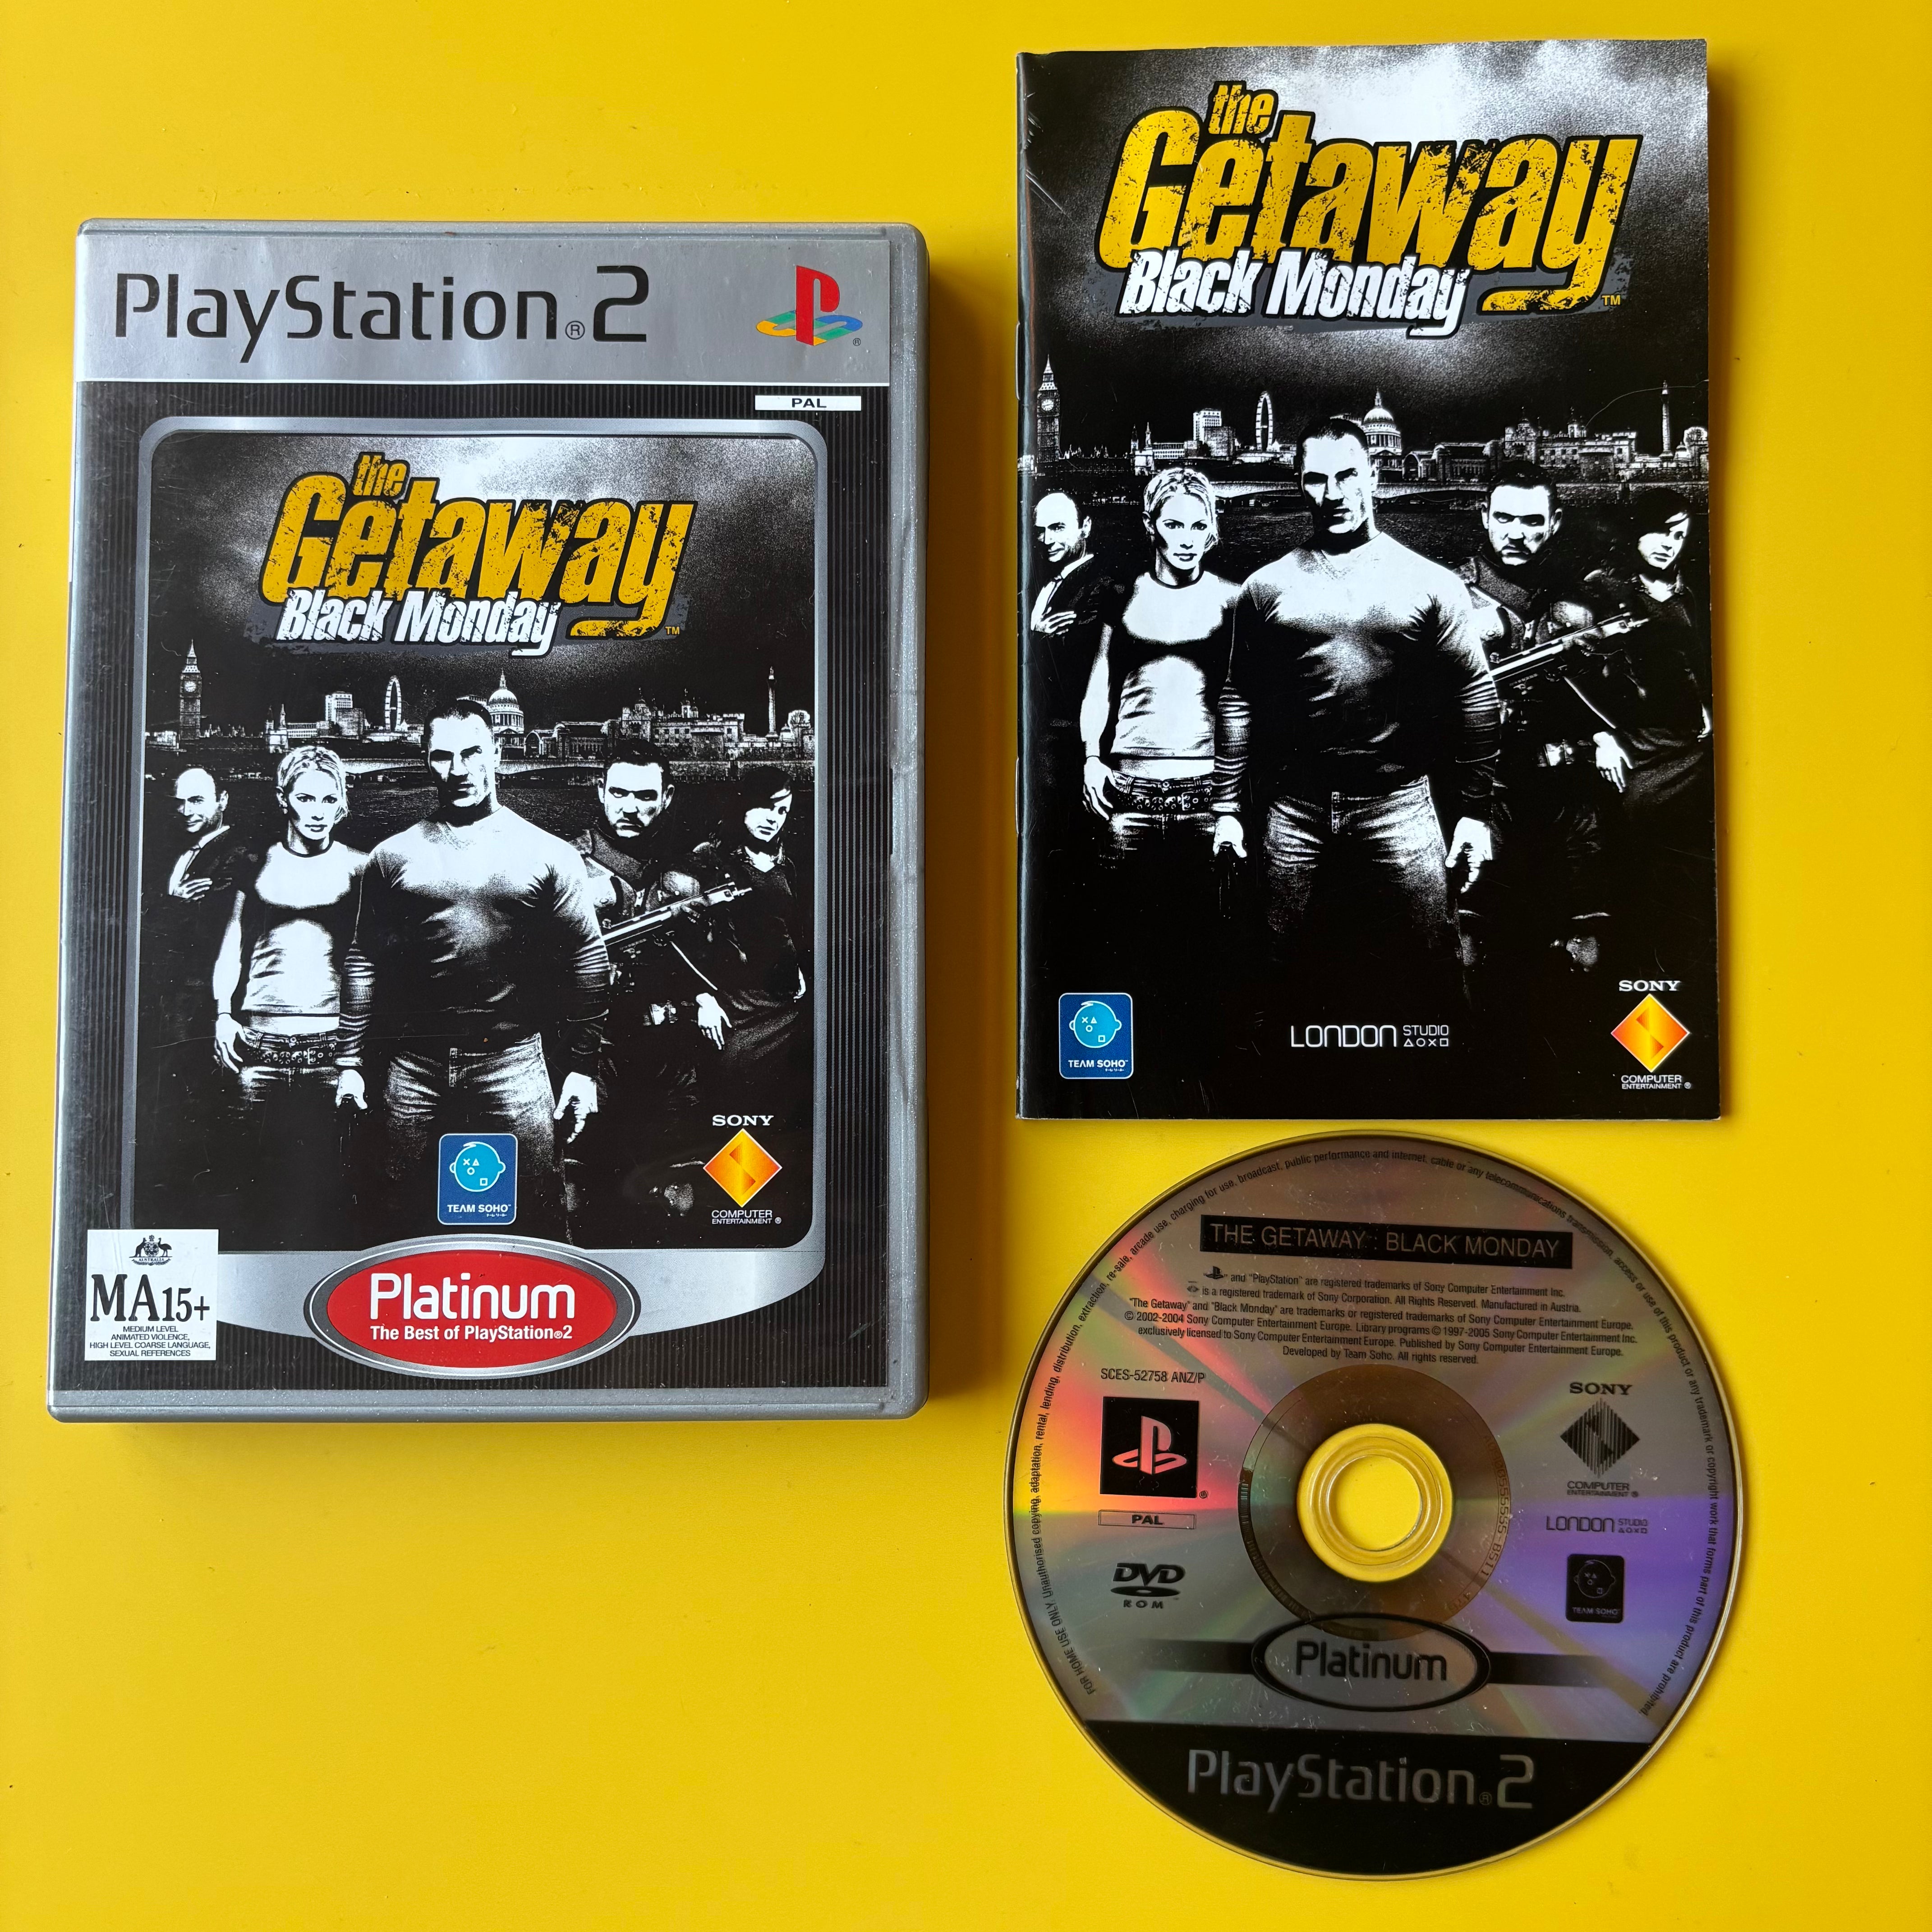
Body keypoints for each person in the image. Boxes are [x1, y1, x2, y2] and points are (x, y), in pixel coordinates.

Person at [1212, 418, 1500, 1028]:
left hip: (1400, 804)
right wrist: (1227, 809)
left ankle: (1457, 1078)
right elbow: (1239, 696)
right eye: (1317, 479)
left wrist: (1475, 812)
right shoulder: (1265, 587)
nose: (1335, 492)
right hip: (1296, 808)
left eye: (1348, 475)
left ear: (1374, 475)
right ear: (1299, 483)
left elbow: (1475, 693)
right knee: (1274, 964)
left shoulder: (1431, 583)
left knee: (1434, 967)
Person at [336, 697, 609, 1238]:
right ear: (425, 760)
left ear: (497, 754)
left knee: (538, 1222)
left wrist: (583, 1067)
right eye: (443, 756)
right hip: (413, 1069)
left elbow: (588, 956)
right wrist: (349, 1061)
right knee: (395, 1221)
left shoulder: (549, 853)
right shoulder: (391, 856)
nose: (458, 770)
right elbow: (363, 958)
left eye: (472, 753)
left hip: (514, 1063)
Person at [1076, 466, 1240, 1109]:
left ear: (1214, 531)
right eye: (1175, 524)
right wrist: (1092, 756)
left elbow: (1246, 702)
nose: (1188, 537)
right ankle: (1125, 1098)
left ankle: (1199, 1094)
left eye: (1200, 525)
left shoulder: (1234, 601)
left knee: (1203, 953)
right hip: (1130, 799)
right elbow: (1101, 685)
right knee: (1123, 949)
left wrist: (1232, 803)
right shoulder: (1123, 598)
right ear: (1152, 526)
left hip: (1203, 798)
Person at [1457, 461, 1615, 1039]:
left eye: (1531, 521)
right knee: (1471, 939)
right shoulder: (1447, 594)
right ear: (1484, 517)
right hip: (1483, 791)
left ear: (1554, 523)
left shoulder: (1582, 600)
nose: (1517, 533)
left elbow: (1607, 700)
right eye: (1504, 518)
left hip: (1564, 790)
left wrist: (1595, 736)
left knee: (1582, 942)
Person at [209, 746, 368, 1247]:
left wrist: (356, 1057)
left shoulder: (361, 868)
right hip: (258, 1051)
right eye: (306, 798)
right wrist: (222, 1014)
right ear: (285, 799)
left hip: (331, 1053)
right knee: (252, 1192)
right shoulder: (255, 865)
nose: (318, 811)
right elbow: (233, 946)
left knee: (330, 1196)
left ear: (342, 804)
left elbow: (373, 965)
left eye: (329, 799)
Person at [568, 744, 725, 1241]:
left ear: (667, 798)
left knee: (677, 1195)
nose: (631, 807)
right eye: (619, 793)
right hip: (591, 1055)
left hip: (667, 1056)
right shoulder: (562, 866)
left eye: (645, 796)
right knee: (581, 1193)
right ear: (600, 791)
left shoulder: (683, 877)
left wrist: (703, 996)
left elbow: (699, 962)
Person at [1576, 491, 1715, 981]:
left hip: (1690, 745)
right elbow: (1575, 675)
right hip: (1632, 741)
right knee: (1632, 835)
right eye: (1659, 531)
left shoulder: (1690, 592)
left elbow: (1699, 661)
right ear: (1636, 530)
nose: (1668, 544)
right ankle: (1630, 957)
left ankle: (1680, 958)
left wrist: (1708, 706)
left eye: (1679, 535)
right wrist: (1601, 735)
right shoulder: (1602, 591)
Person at [138, 764, 258, 1219]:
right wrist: (170, 906)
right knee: (173, 1102)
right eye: (179, 802)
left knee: (199, 1101)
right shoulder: (179, 852)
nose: (185, 811)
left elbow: (207, 929)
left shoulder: (237, 855)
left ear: (222, 801)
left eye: (197, 801)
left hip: (203, 1003)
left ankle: (203, 1202)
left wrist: (162, 912)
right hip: (169, 1002)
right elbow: (144, 912)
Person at [686, 768, 810, 1088]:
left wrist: (797, 970)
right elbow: (685, 940)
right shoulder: (709, 860)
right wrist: (703, 999)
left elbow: (787, 928)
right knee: (733, 1077)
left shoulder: (785, 864)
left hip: (787, 1003)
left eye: (782, 811)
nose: (773, 819)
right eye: (766, 806)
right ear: (743, 804)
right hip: (735, 1005)